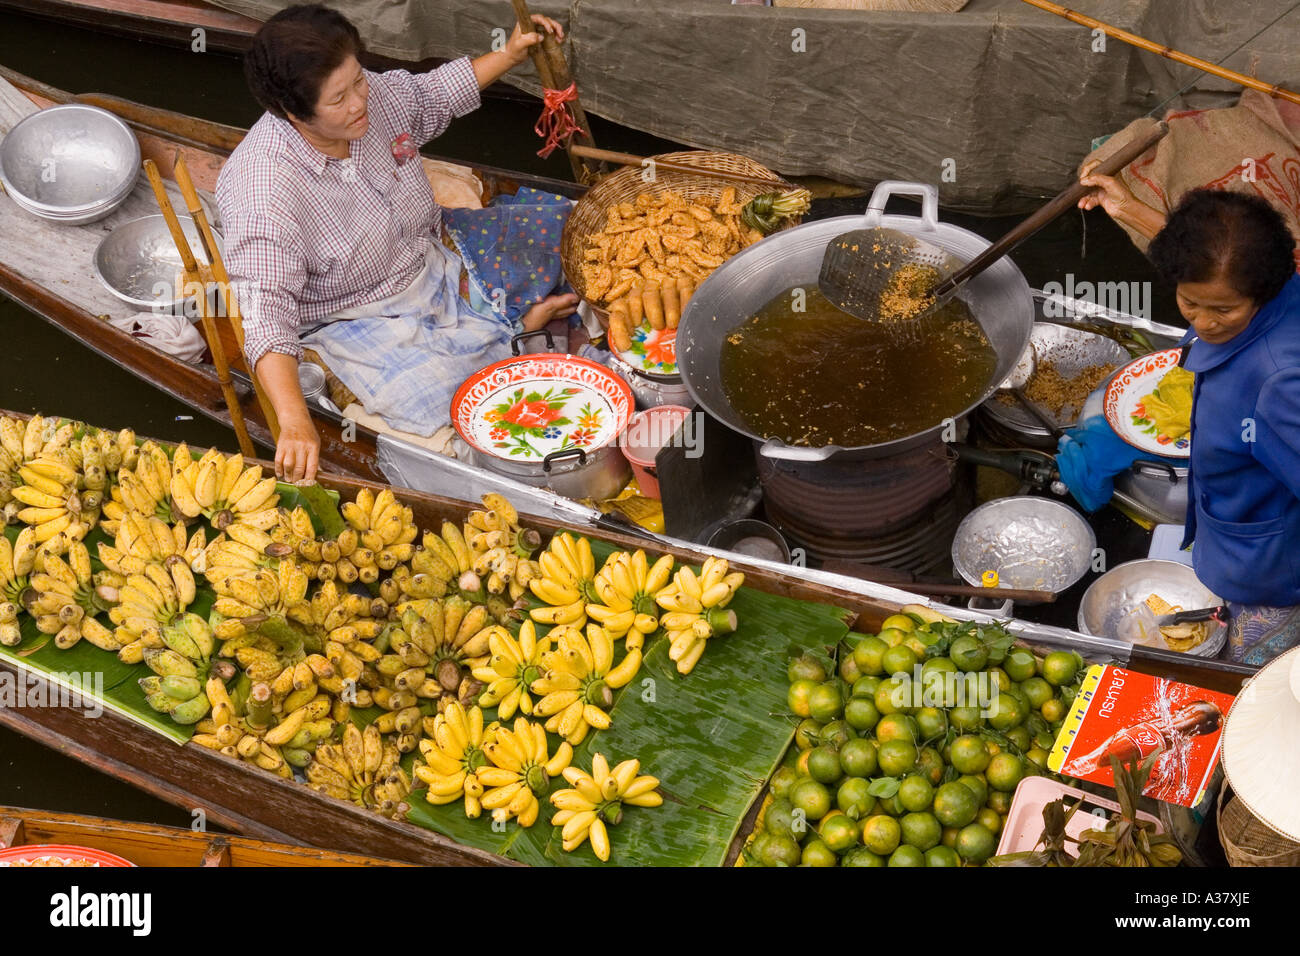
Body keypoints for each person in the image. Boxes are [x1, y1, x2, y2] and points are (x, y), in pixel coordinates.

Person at [215, 4, 578, 483]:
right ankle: (511, 332)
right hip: (361, 315)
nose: (359, 102)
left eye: (359, 80)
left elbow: (433, 95)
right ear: (291, 113)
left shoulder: (373, 98)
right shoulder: (262, 189)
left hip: (433, 255)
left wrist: (509, 54)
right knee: (442, 403)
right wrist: (295, 421)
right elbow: (266, 310)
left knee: (568, 231)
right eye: (338, 98)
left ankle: (507, 326)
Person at [1145, 189, 1300, 664]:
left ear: (1262, 289)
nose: (1205, 323)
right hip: (1234, 524)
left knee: (1250, 674)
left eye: (1223, 310)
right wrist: (1129, 207)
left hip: (1270, 569)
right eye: (1190, 303)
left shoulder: (1280, 380)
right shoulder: (1270, 286)